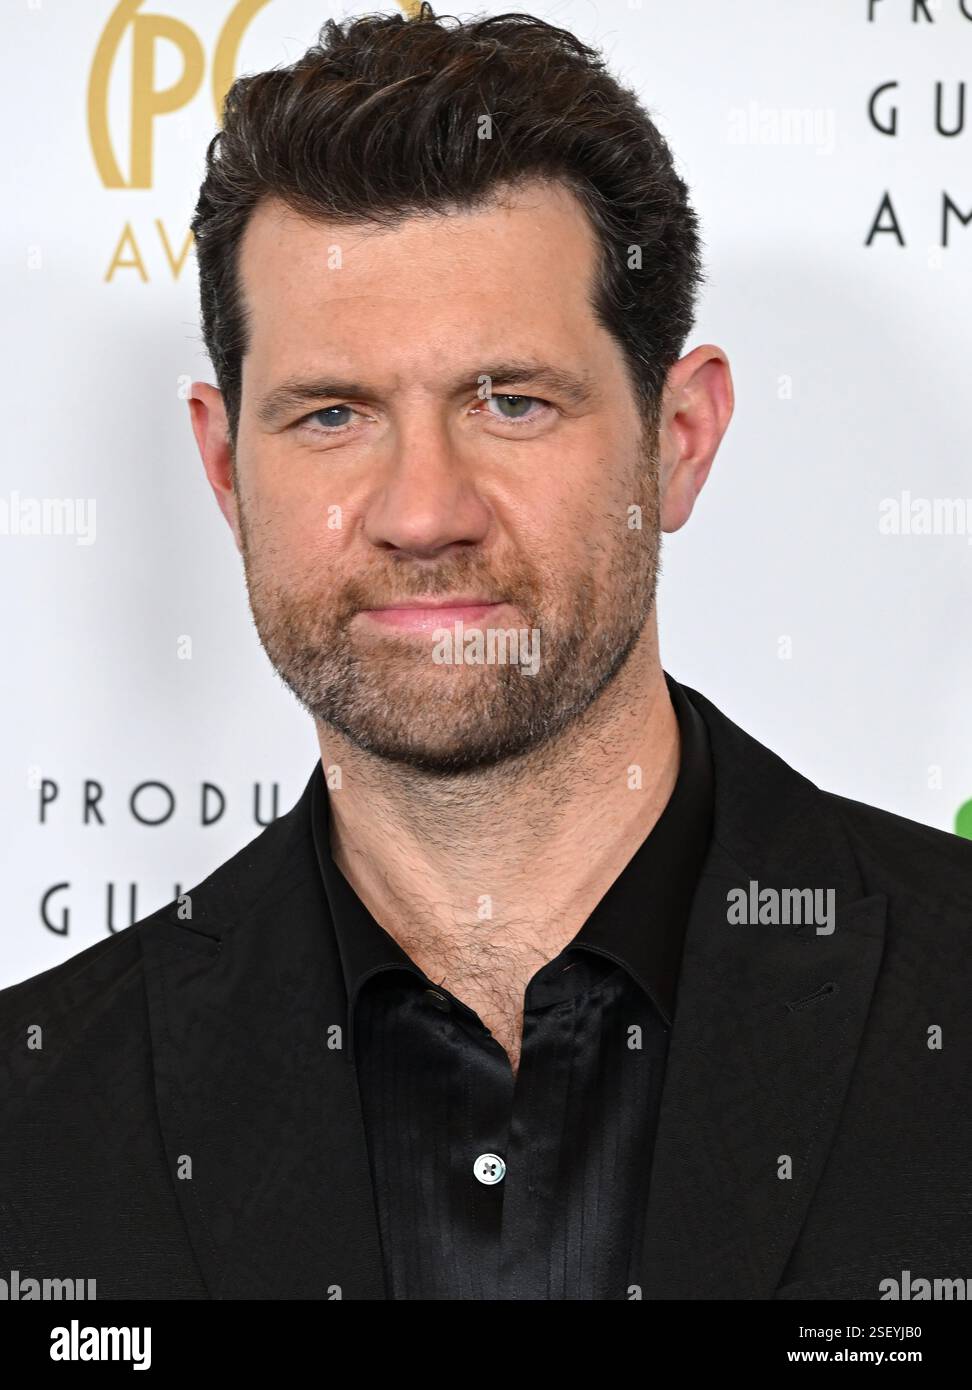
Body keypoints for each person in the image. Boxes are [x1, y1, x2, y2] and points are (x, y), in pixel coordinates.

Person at [2, 6, 970, 1302]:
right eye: (333, 414)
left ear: (676, 439)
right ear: (226, 468)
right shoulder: (38, 1115)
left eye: (511, 402)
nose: (423, 511)